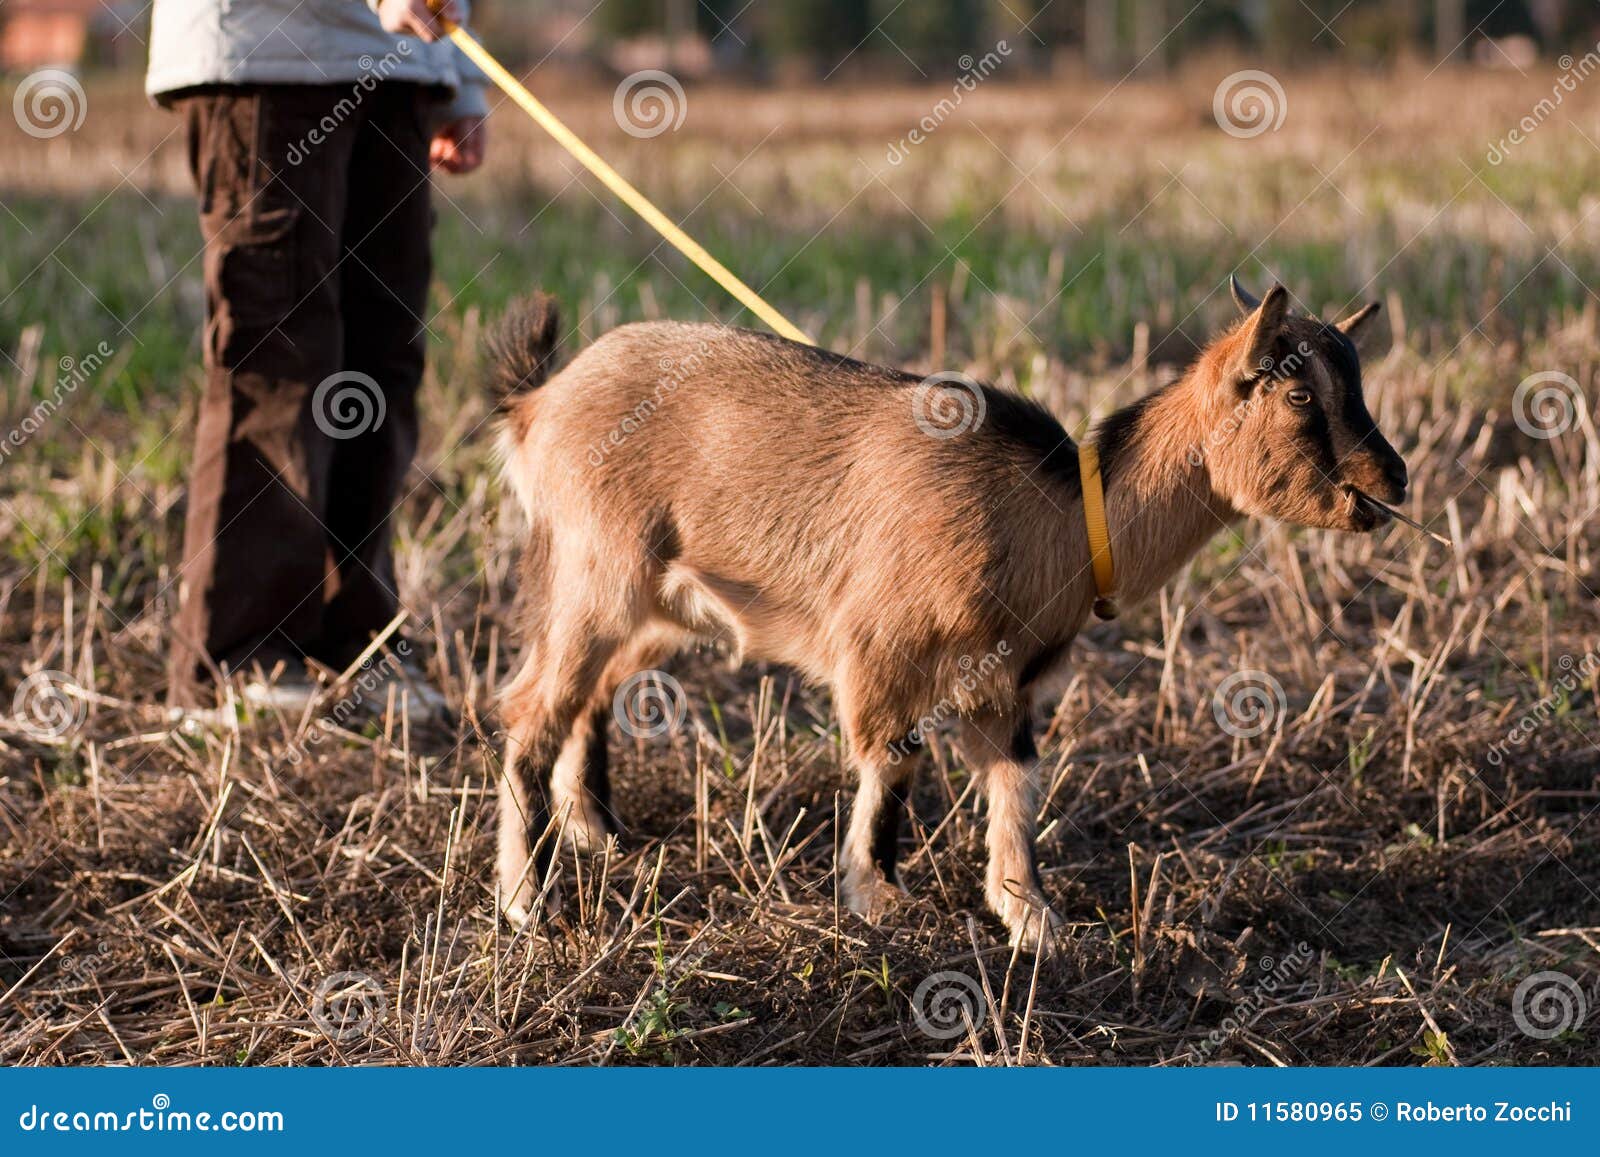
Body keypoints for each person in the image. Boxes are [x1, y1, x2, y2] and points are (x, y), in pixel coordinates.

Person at [146, 0, 489, 716]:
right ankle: (237, 654)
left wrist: (458, 77)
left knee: (381, 360)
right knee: (278, 359)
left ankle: (357, 640)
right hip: (270, 54)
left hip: (400, 70)